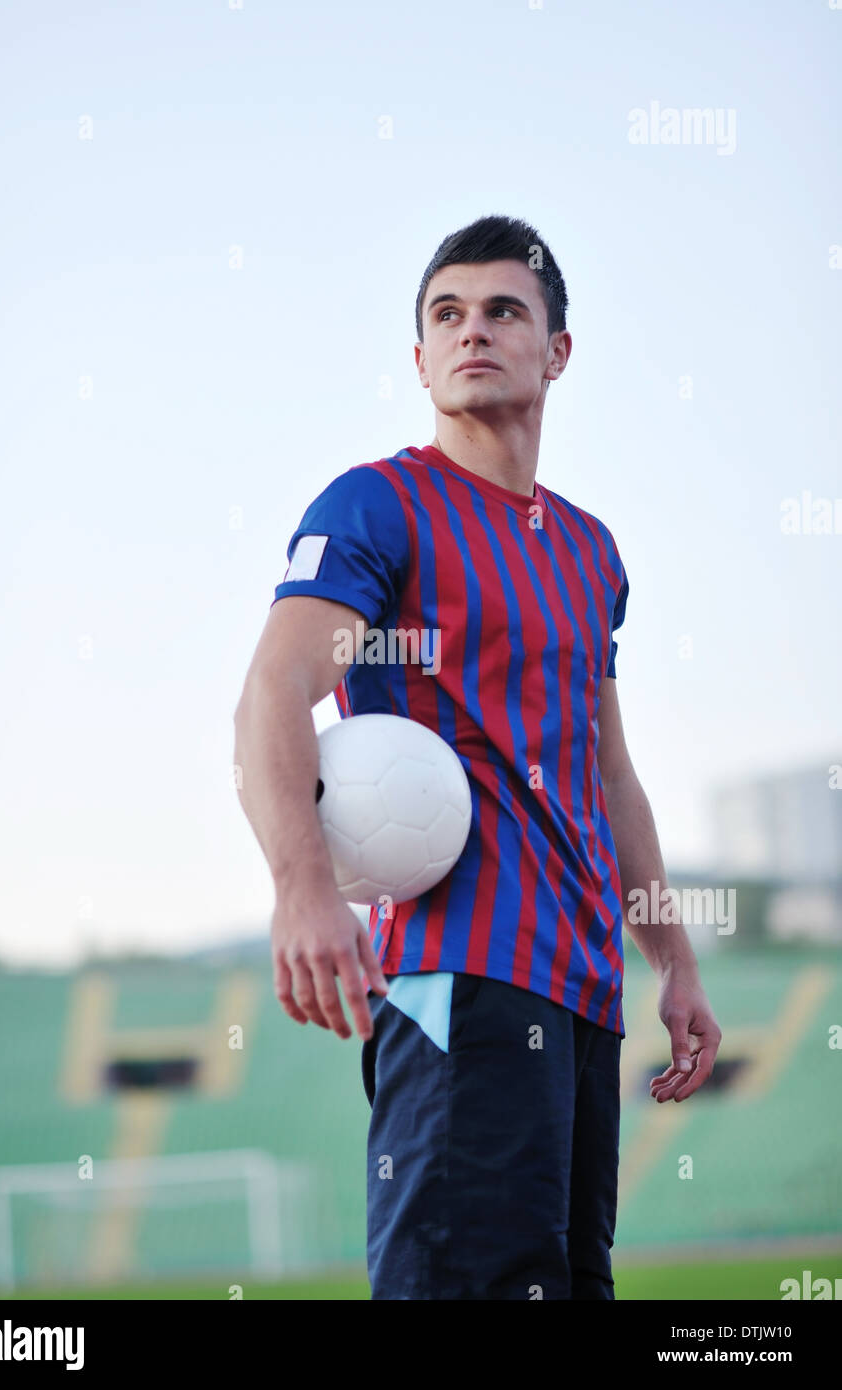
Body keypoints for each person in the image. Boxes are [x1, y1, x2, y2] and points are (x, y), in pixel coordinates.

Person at [233, 213, 722, 1300]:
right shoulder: (379, 504)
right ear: (419, 359)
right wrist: (303, 889)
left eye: (505, 310)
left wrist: (674, 963)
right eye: (447, 315)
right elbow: (272, 689)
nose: (474, 331)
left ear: (557, 352)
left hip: (587, 993)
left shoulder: (591, 550)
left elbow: (608, 774)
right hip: (460, 978)